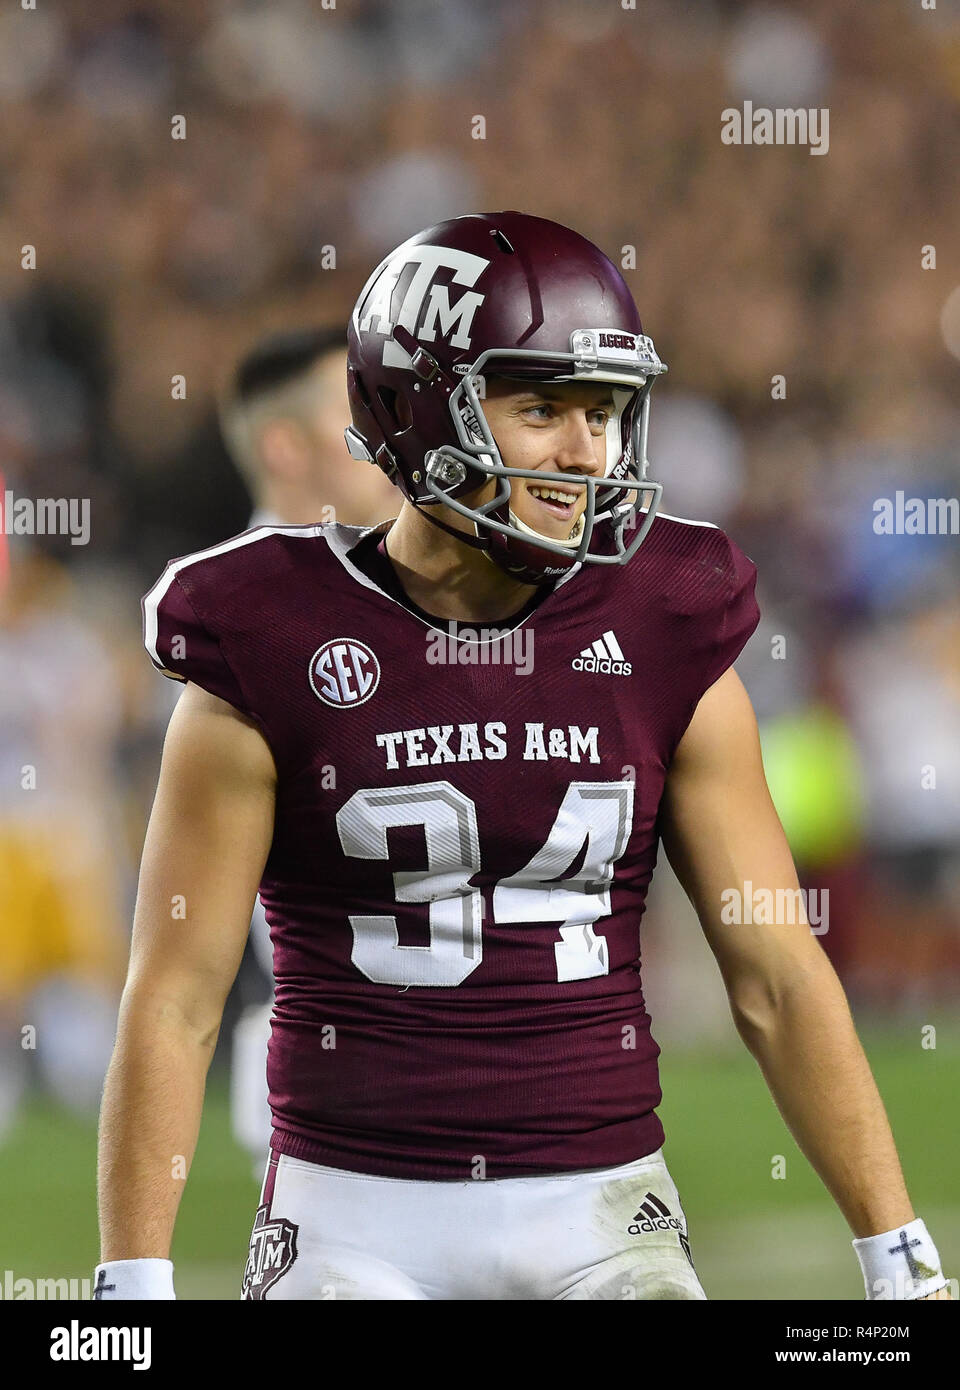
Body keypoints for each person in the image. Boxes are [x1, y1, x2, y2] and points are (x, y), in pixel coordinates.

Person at [95, 211, 950, 1301]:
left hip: (601, 1205)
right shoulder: (268, 637)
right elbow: (175, 995)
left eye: (603, 411)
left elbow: (778, 975)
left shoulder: (664, 620)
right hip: (351, 1214)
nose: (585, 451)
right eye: (541, 407)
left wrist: (901, 1258)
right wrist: (129, 1284)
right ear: (414, 410)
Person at [217, 328, 399, 1170]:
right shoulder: (227, 623)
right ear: (284, 446)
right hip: (334, 1065)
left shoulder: (375, 577)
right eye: (354, 413)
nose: (386, 433)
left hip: (452, 1051)